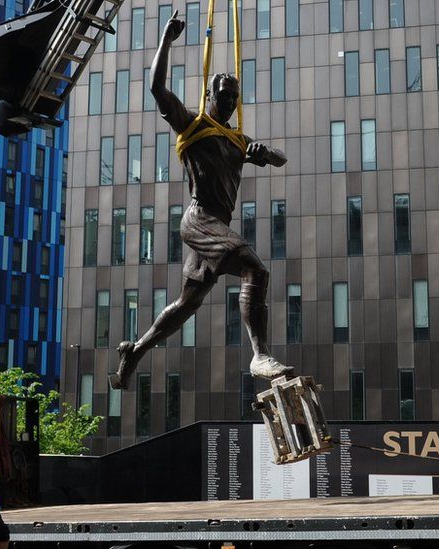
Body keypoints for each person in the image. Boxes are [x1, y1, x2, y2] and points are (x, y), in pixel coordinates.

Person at [109, 11, 294, 390]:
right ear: (210, 95)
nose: (227, 103)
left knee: (186, 305)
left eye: (233, 98)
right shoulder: (192, 124)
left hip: (216, 226)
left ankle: (136, 351)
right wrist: (166, 39)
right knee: (255, 271)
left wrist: (263, 151)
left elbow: (281, 158)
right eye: (222, 96)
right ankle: (259, 355)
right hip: (200, 220)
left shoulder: (238, 140)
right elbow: (157, 89)